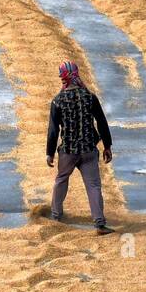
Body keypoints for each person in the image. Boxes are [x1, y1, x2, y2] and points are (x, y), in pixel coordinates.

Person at [47, 60, 114, 235]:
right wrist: (107, 145)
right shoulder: (89, 97)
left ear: (63, 78)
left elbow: (53, 130)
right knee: (93, 186)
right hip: (88, 150)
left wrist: (50, 153)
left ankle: (55, 216)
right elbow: (101, 122)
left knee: (61, 180)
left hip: (68, 151)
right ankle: (99, 223)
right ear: (77, 75)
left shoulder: (58, 101)